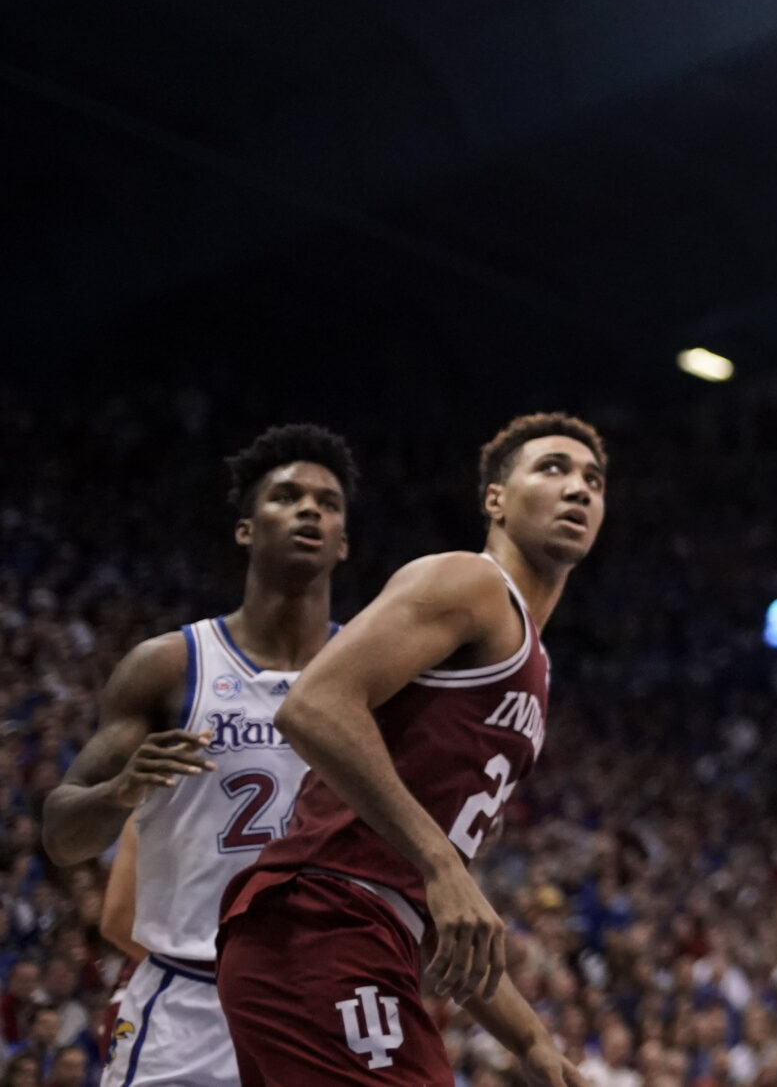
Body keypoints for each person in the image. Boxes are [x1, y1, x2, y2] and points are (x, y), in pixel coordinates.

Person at [213, 415, 606, 1087]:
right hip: (320, 920)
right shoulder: (470, 583)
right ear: (496, 499)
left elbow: (438, 911)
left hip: (356, 934)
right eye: (552, 468)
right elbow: (314, 703)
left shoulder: (534, 670)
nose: (577, 488)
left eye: (593, 480)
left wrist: (531, 1037)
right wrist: (440, 863)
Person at [42, 425, 357, 1087]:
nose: (309, 510)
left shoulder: (375, 674)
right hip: (190, 1002)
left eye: (327, 502)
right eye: (286, 496)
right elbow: (62, 832)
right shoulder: (167, 666)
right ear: (245, 528)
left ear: (343, 541)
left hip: (324, 1007)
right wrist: (120, 790)